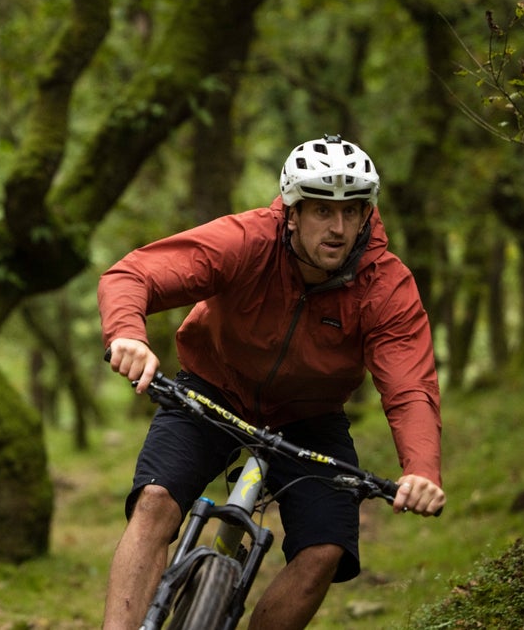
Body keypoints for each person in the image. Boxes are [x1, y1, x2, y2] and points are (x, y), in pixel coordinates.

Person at [98, 134, 446, 630]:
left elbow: (410, 385)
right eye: (323, 211)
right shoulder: (247, 241)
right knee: (155, 502)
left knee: (325, 549)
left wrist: (422, 469)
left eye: (352, 211)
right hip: (213, 389)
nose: (339, 227)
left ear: (368, 213)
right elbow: (133, 275)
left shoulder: (385, 285)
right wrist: (128, 336)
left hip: (309, 418)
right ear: (292, 210)